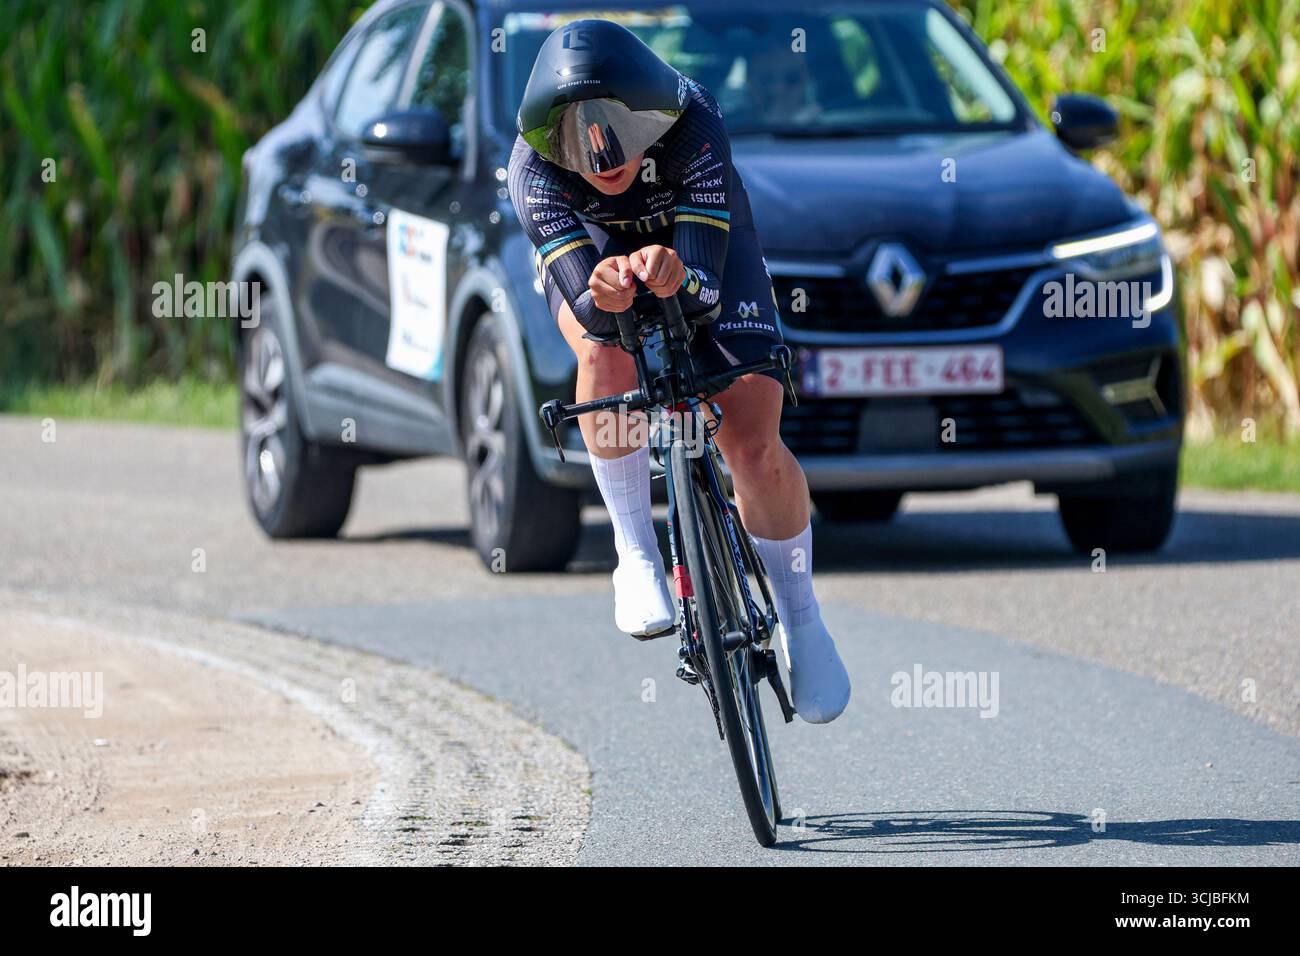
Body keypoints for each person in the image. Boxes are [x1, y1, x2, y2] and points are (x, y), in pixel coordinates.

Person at [509, 19, 850, 724]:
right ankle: (634, 551)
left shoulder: (694, 122)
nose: (603, 157)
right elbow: (591, 311)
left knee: (752, 441)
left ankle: (801, 619)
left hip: (703, 252)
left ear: (649, 116)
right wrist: (607, 293)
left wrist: (676, 274)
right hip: (597, 256)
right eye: (580, 146)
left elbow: (704, 289)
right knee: (602, 350)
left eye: (620, 136)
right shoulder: (531, 168)